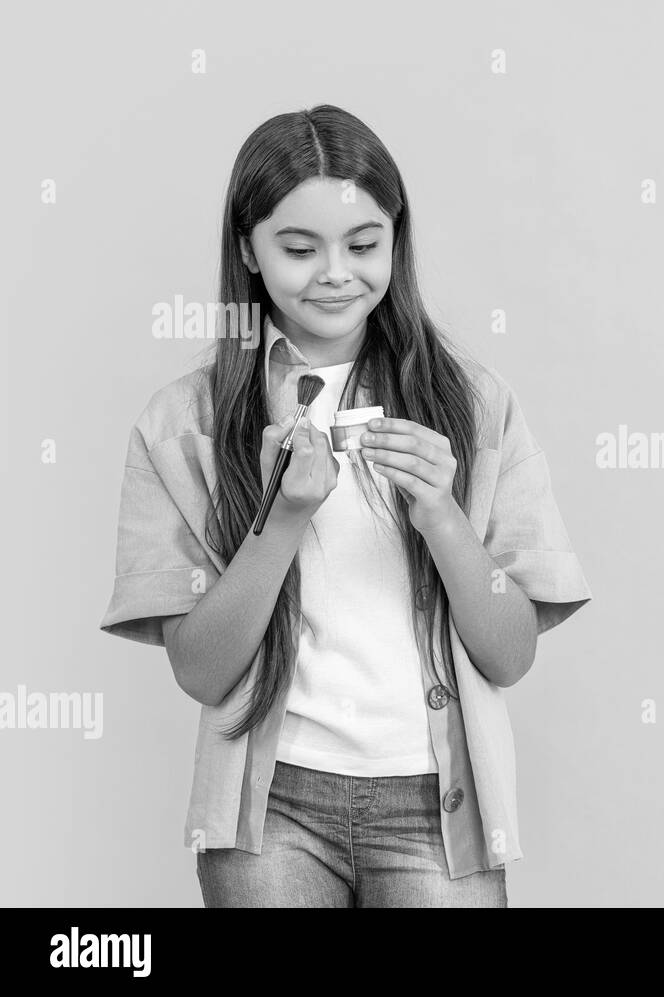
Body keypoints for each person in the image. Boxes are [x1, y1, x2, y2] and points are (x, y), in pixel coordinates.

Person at [99, 104, 592, 908]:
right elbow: (201, 668)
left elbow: (509, 655)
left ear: (397, 241)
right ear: (248, 251)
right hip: (271, 812)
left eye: (364, 245)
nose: (335, 272)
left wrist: (442, 515)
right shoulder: (181, 424)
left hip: (438, 804)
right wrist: (280, 518)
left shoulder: (474, 405)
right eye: (299, 248)